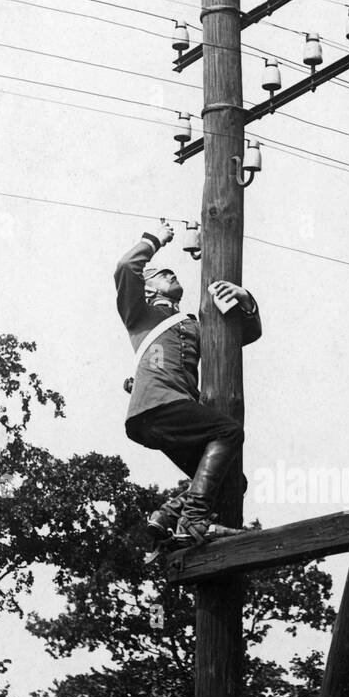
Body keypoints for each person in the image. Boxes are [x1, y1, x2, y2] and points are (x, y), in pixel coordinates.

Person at [115, 220, 261, 550]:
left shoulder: (193, 325)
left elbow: (243, 337)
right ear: (148, 289)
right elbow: (126, 266)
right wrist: (154, 240)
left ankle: (167, 517)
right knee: (228, 432)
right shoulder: (139, 315)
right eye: (161, 274)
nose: (171, 274)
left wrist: (246, 300)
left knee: (233, 482)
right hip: (157, 408)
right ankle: (193, 519)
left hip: (166, 416)